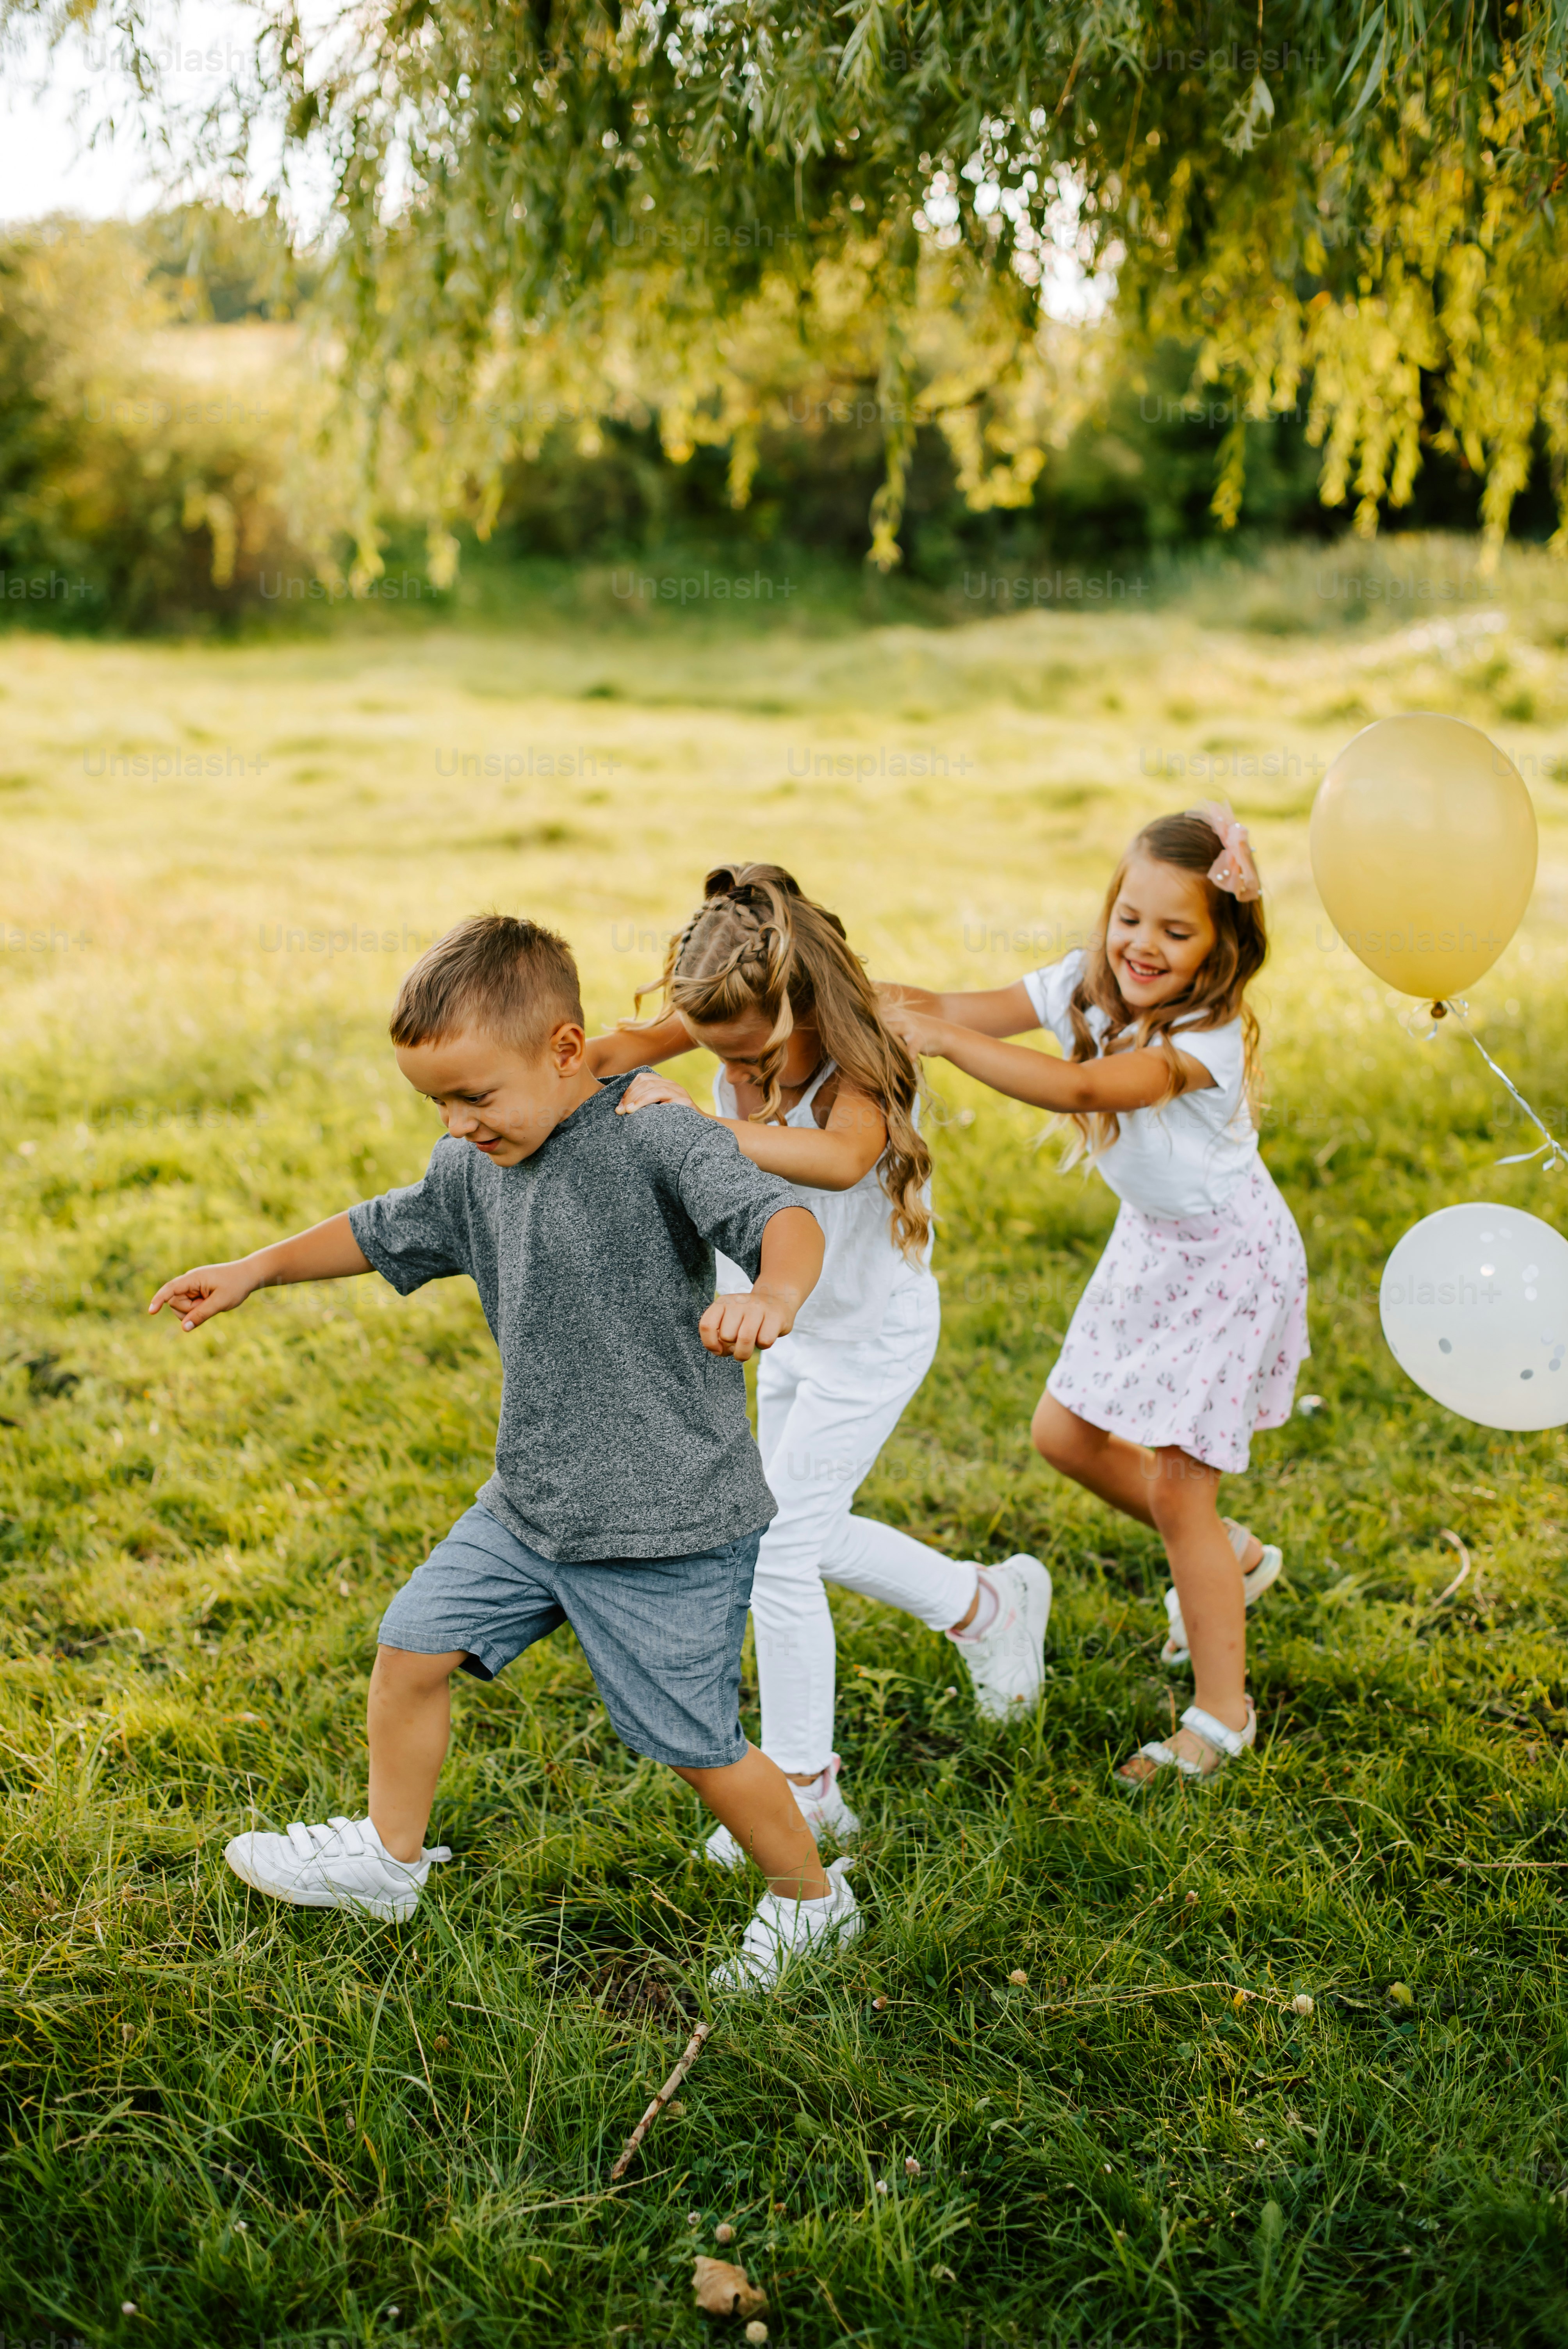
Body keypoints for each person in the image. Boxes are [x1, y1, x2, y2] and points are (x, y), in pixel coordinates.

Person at [147, 913, 862, 1993]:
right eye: (439, 1101)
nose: (457, 1122)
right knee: (412, 1647)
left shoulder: (653, 1135)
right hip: (532, 1502)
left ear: (567, 1051)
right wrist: (257, 1268)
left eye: (475, 1095)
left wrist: (772, 1294)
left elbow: (783, 1221)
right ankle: (390, 1860)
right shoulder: (471, 1168)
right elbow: (379, 1228)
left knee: (694, 1743)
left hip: (665, 1516)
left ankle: (813, 1900)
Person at [586, 863, 1050, 1862]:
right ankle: (987, 1605)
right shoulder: (723, 1013)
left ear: (796, 995)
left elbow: (842, 1159)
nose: (734, 1065)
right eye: (714, 1052)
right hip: (783, 1316)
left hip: (869, 1334)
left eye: (751, 1052)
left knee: (779, 1547)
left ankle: (806, 1788)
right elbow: (619, 1047)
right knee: (802, 1527)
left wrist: (700, 1121)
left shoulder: (857, 1056)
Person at [884, 805, 1307, 1788]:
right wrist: (829, 991)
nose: (1142, 946)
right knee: (1063, 1434)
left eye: (1176, 929)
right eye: (1130, 916)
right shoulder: (1088, 983)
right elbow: (956, 1000)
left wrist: (943, 1040)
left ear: (1221, 946)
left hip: (1227, 1261)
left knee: (1176, 1487)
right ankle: (1229, 1556)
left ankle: (1221, 1713)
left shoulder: (1204, 1036)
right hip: (1153, 1248)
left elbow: (1088, 1092)